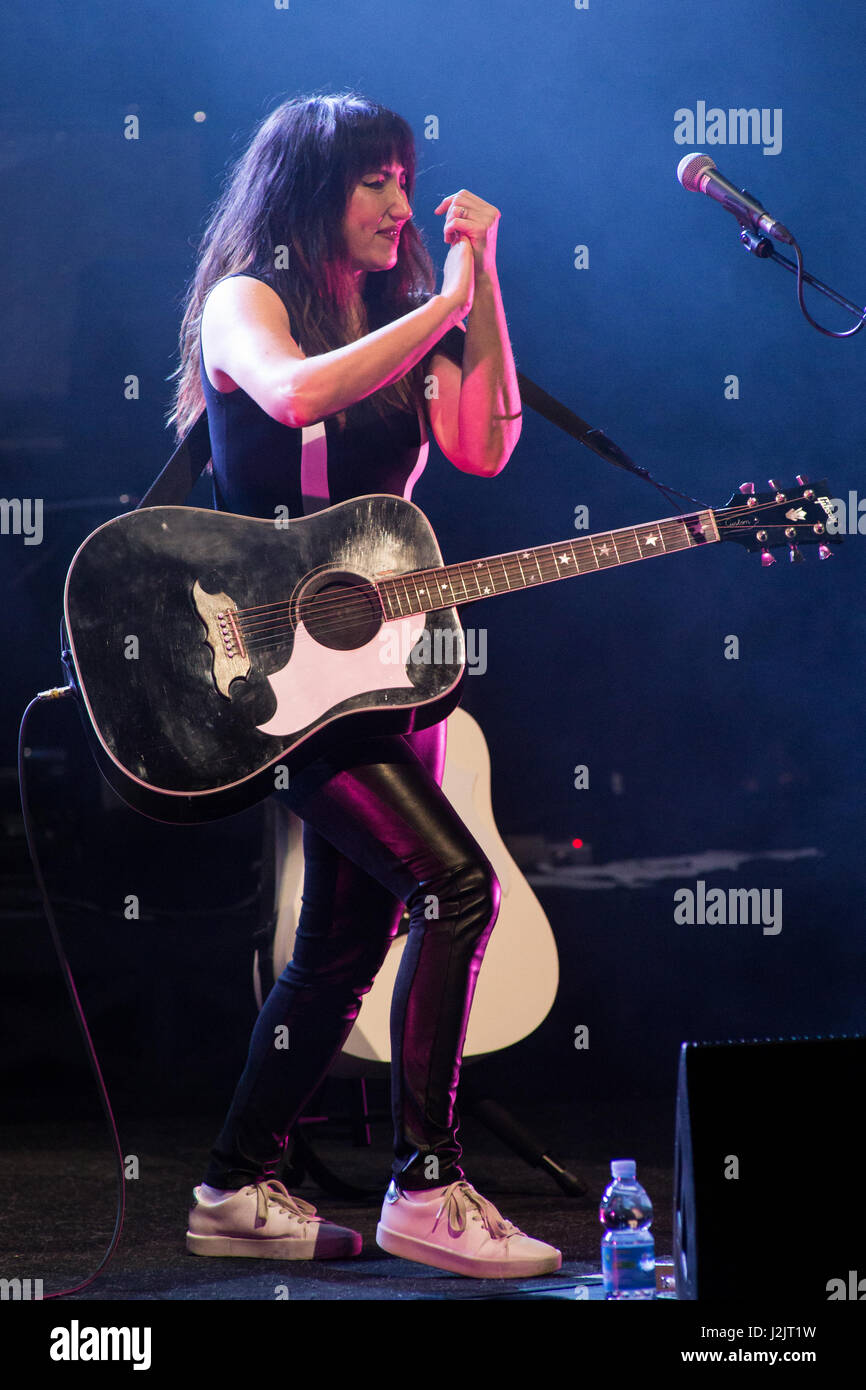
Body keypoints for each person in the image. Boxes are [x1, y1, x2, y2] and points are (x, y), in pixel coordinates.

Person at [168, 91, 561, 1279]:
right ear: (308, 191)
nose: (402, 202)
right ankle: (426, 1183)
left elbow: (487, 440)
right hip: (273, 673)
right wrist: (439, 304)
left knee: (342, 946)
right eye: (375, 181)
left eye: (406, 178)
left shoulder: (409, 315)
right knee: (453, 884)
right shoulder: (247, 299)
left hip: (381, 675)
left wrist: (476, 277)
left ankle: (234, 1187)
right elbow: (292, 395)